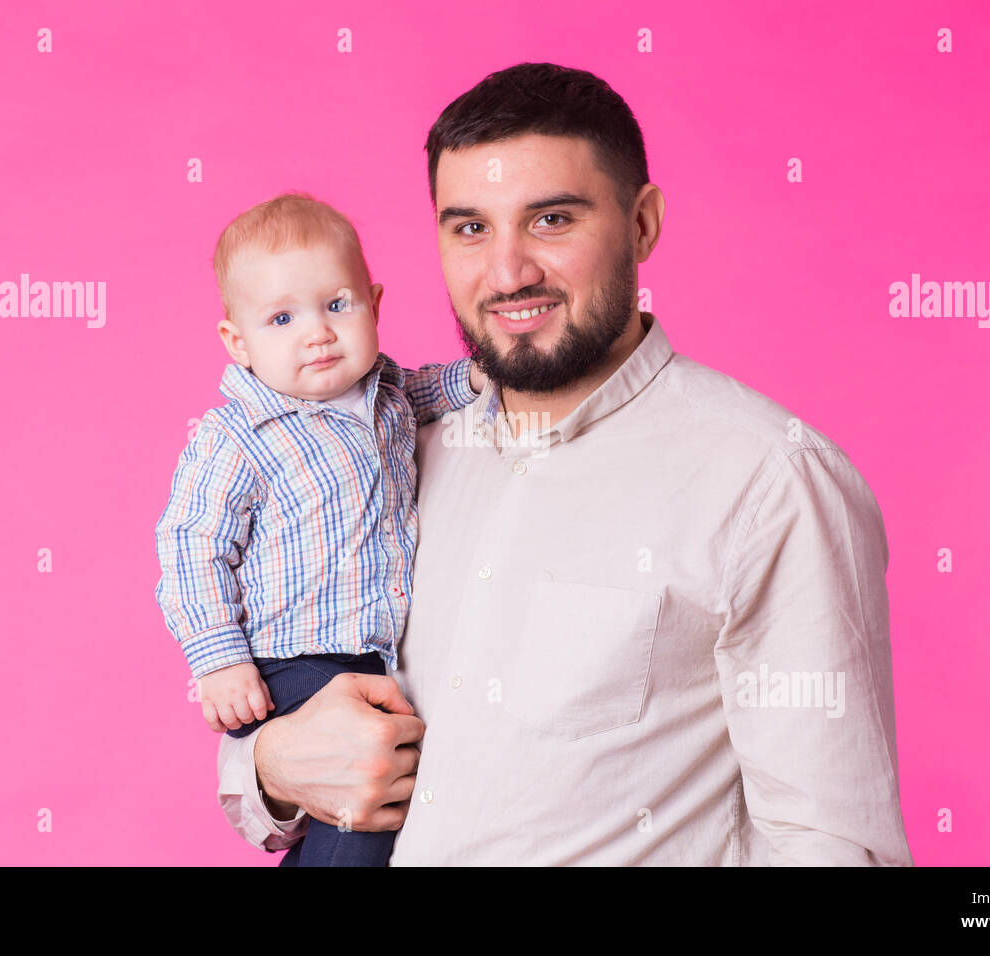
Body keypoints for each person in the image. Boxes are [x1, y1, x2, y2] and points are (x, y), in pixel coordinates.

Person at [216, 62, 915, 865]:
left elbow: (833, 848)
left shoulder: (769, 482)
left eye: (551, 219)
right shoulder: (393, 452)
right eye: (470, 227)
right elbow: (297, 738)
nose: (508, 273)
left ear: (642, 224)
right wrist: (268, 767)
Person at [154, 192, 484, 865]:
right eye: (282, 318)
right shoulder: (239, 436)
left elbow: (428, 390)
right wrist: (218, 657)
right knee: (366, 813)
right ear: (238, 342)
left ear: (375, 304)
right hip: (296, 657)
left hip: (372, 653)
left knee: (358, 812)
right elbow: (191, 544)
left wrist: (478, 376)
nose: (318, 333)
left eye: (338, 305)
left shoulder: (385, 390)